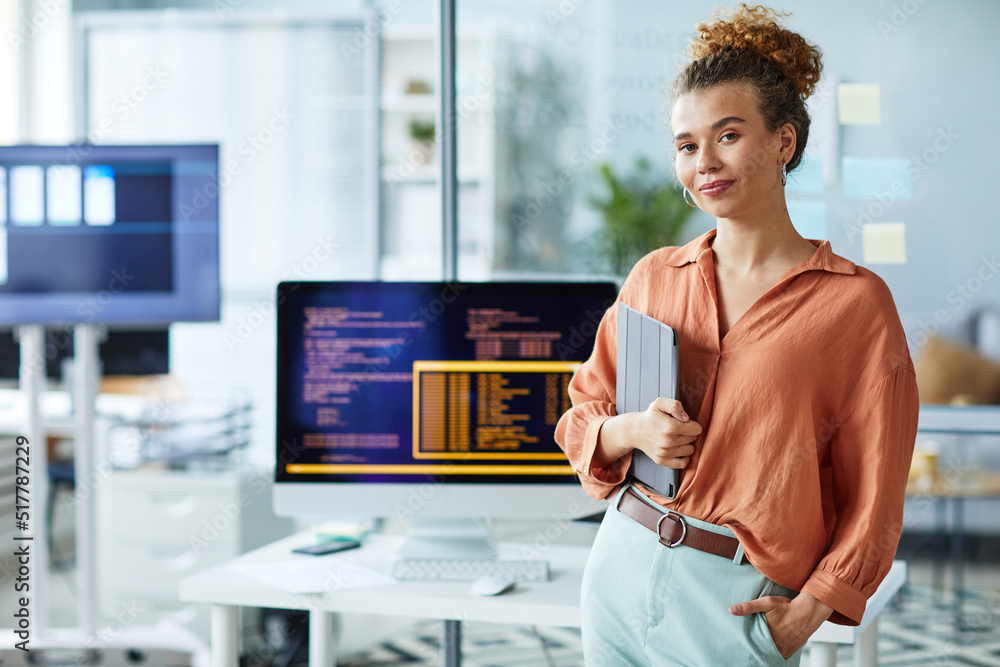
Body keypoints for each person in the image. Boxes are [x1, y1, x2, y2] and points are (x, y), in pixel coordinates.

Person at [554, 5, 920, 665]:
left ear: (784, 142)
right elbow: (582, 416)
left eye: (727, 135)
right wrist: (634, 431)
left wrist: (806, 611)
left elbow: (877, 493)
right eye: (686, 145)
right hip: (618, 569)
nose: (704, 163)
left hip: (734, 601)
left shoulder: (856, 305)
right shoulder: (654, 277)